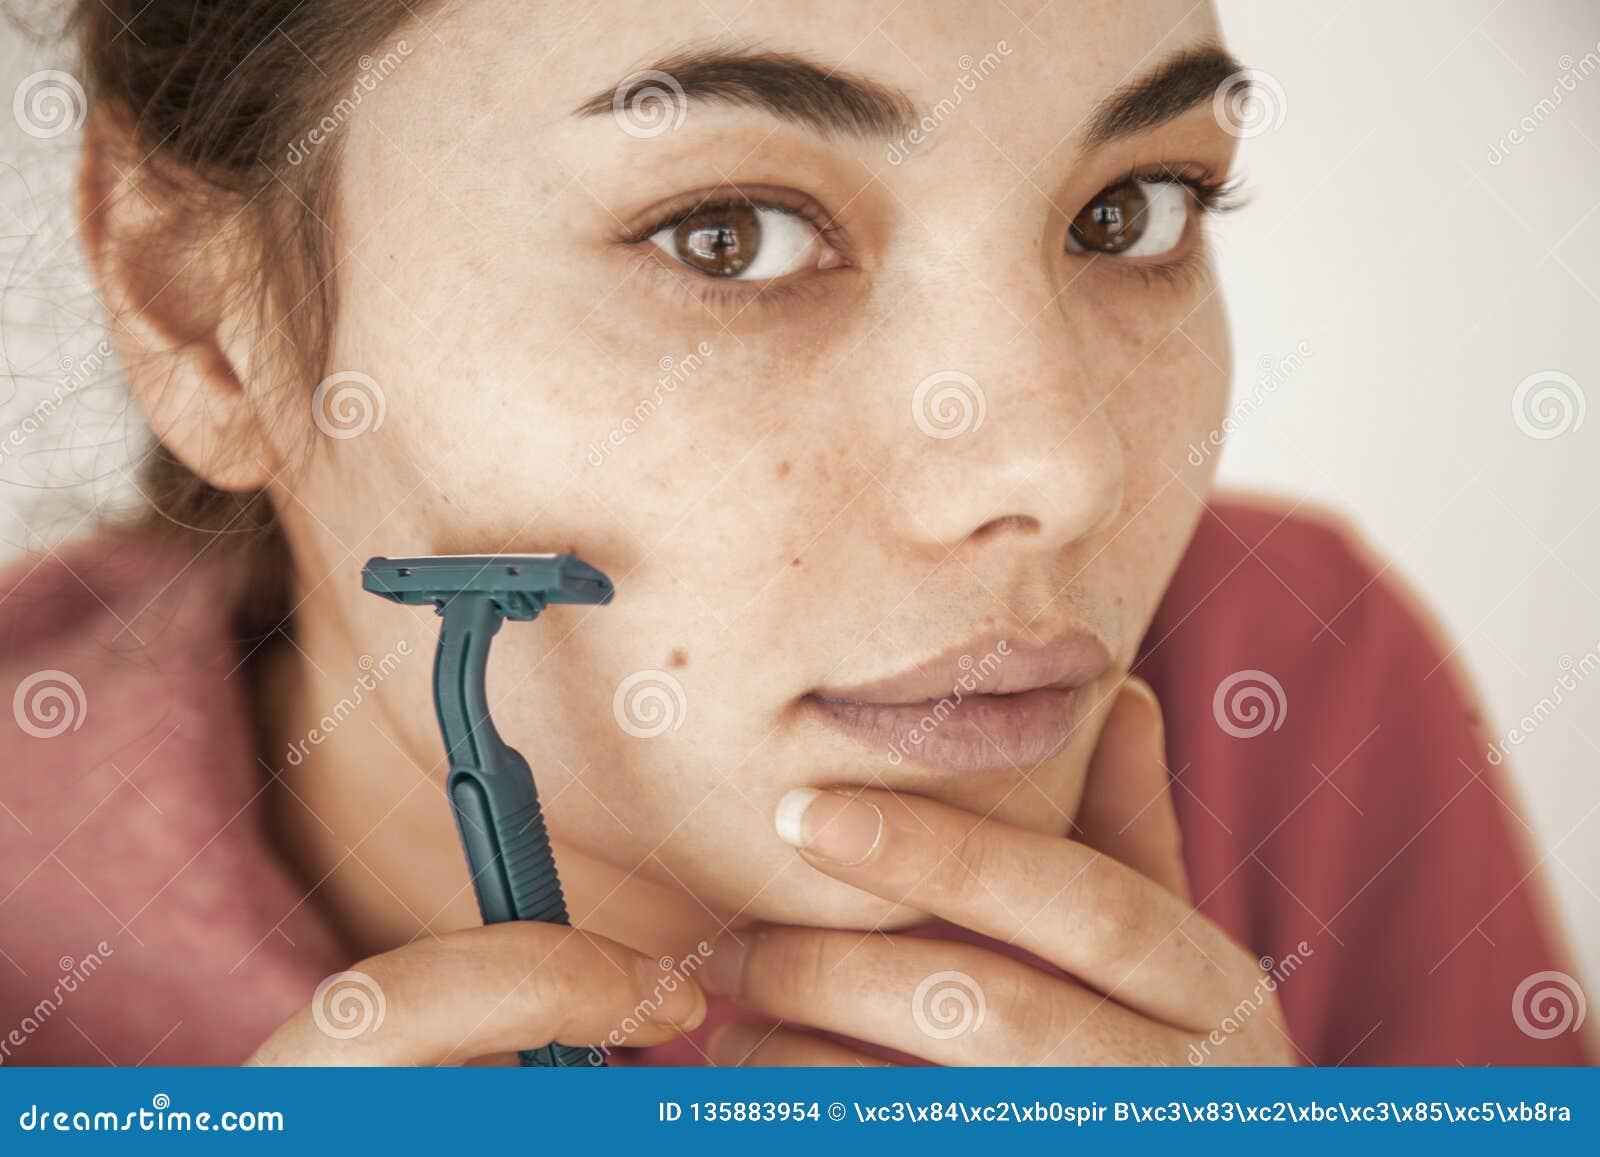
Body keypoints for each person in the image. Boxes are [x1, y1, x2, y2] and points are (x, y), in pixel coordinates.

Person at [0, 0, 1588, 1067]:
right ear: (200, 314)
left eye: (1134, 209)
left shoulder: (1292, 687)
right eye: (729, 233)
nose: (1066, 469)